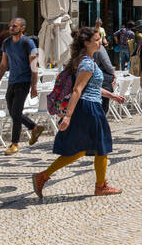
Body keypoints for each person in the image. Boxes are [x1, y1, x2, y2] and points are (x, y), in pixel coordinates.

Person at [33, 27, 128, 200]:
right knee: (101, 146)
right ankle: (101, 186)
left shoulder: (85, 61)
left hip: (88, 106)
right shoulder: (86, 63)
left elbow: (89, 87)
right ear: (86, 43)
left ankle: (43, 176)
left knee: (82, 150)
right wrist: (67, 116)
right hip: (88, 109)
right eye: (97, 39)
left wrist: (111, 95)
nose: (101, 42)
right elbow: (77, 90)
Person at [0, 17, 46, 156]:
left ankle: (15, 143)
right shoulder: (7, 43)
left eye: (14, 26)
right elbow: (4, 64)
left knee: (16, 112)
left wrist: (34, 85)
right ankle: (34, 127)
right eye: (10, 26)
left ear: (22, 28)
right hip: (12, 81)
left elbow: (34, 66)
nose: (11, 28)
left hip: (24, 81)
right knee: (12, 112)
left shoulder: (28, 43)